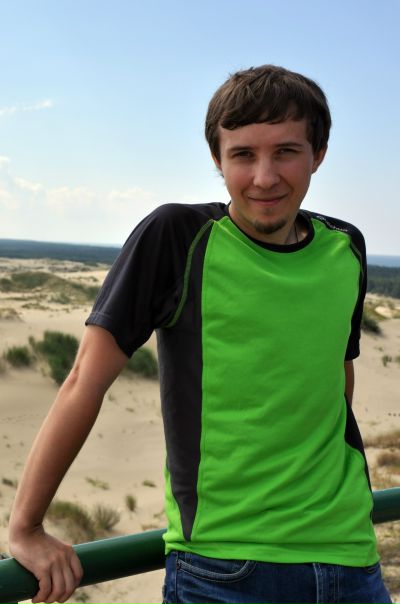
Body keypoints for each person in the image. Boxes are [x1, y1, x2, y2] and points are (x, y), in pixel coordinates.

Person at [8, 64, 392, 604]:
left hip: (351, 558)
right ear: (217, 158)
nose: (264, 177)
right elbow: (83, 382)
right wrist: (25, 526)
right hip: (224, 568)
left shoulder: (345, 247)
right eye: (243, 154)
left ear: (318, 154)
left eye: (286, 151)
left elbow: (335, 376)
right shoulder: (178, 236)